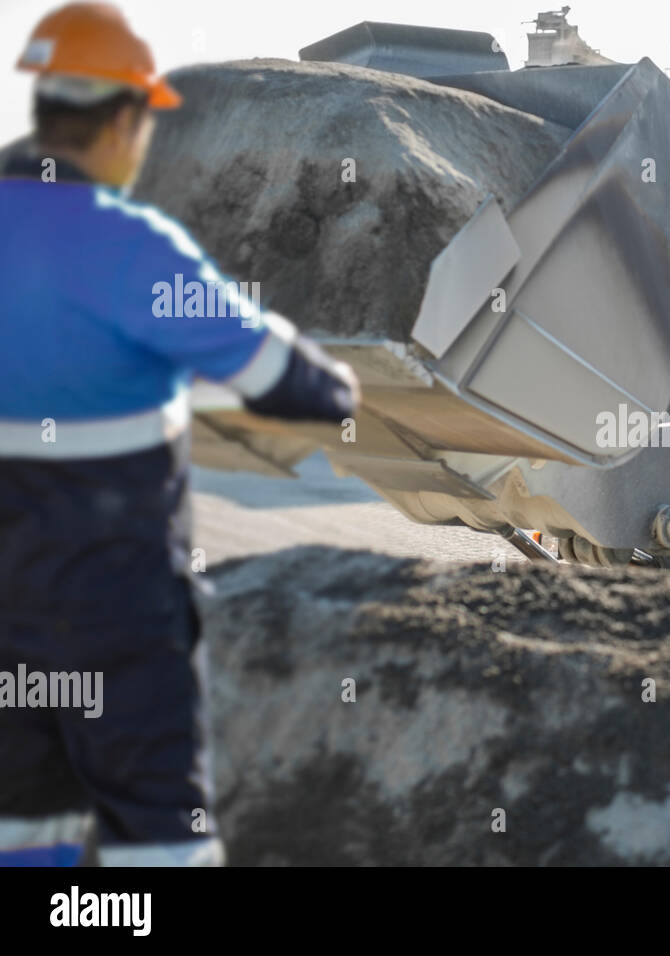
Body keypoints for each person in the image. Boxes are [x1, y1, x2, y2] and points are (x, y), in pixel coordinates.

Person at [0, 3, 360, 866]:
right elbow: (277, 376)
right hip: (113, 612)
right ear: (123, 121)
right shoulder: (130, 246)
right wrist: (341, 389)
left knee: (21, 821)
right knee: (158, 835)